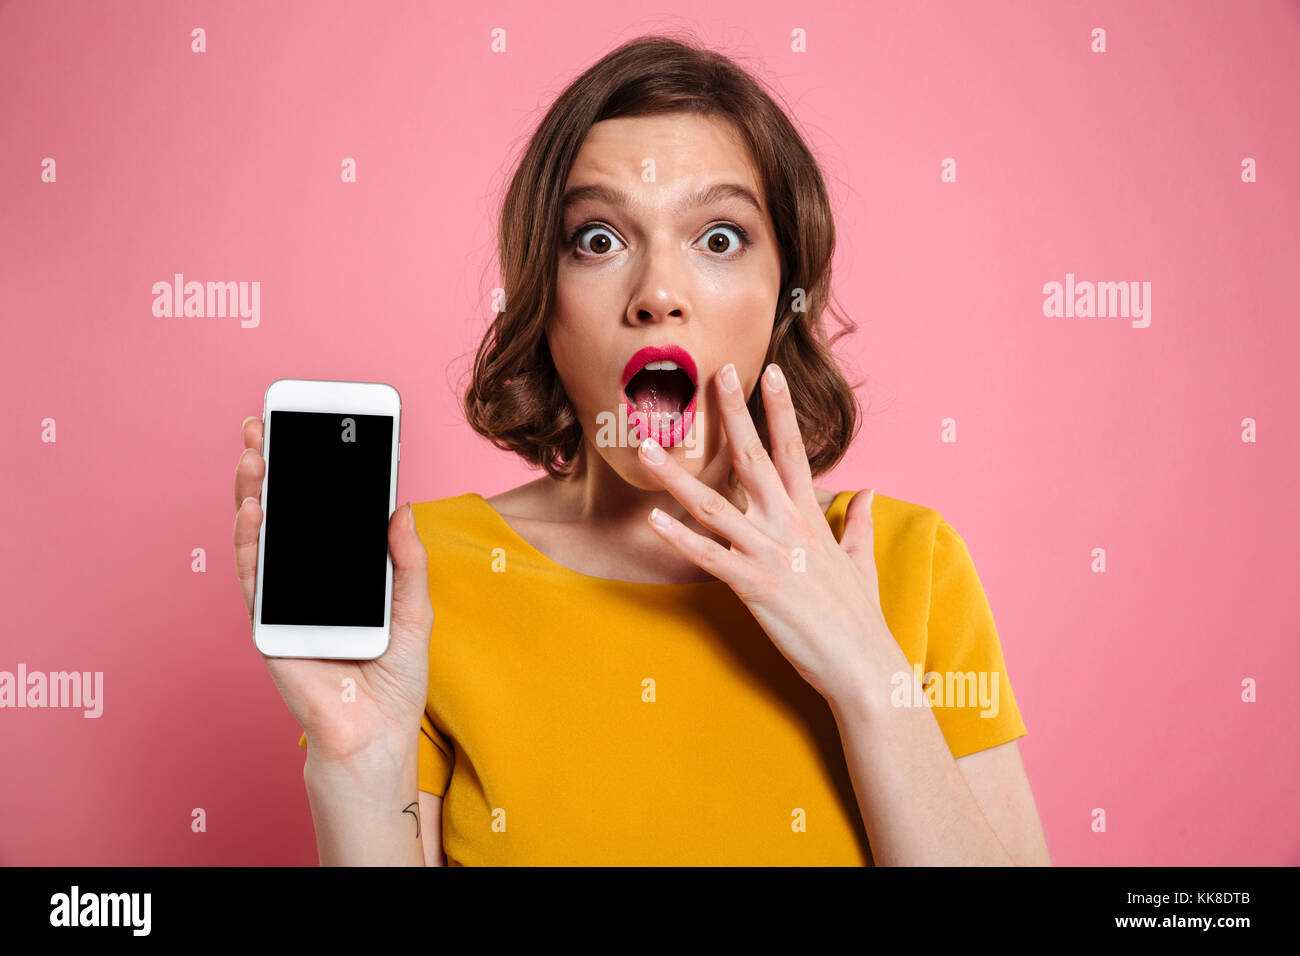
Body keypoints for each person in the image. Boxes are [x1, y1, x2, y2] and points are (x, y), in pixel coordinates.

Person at [233, 33, 1050, 866]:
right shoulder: (420, 580)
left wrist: (873, 681)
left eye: (720, 238)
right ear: (541, 298)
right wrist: (357, 764)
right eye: (598, 240)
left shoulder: (906, 567)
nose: (658, 293)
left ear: (784, 295)